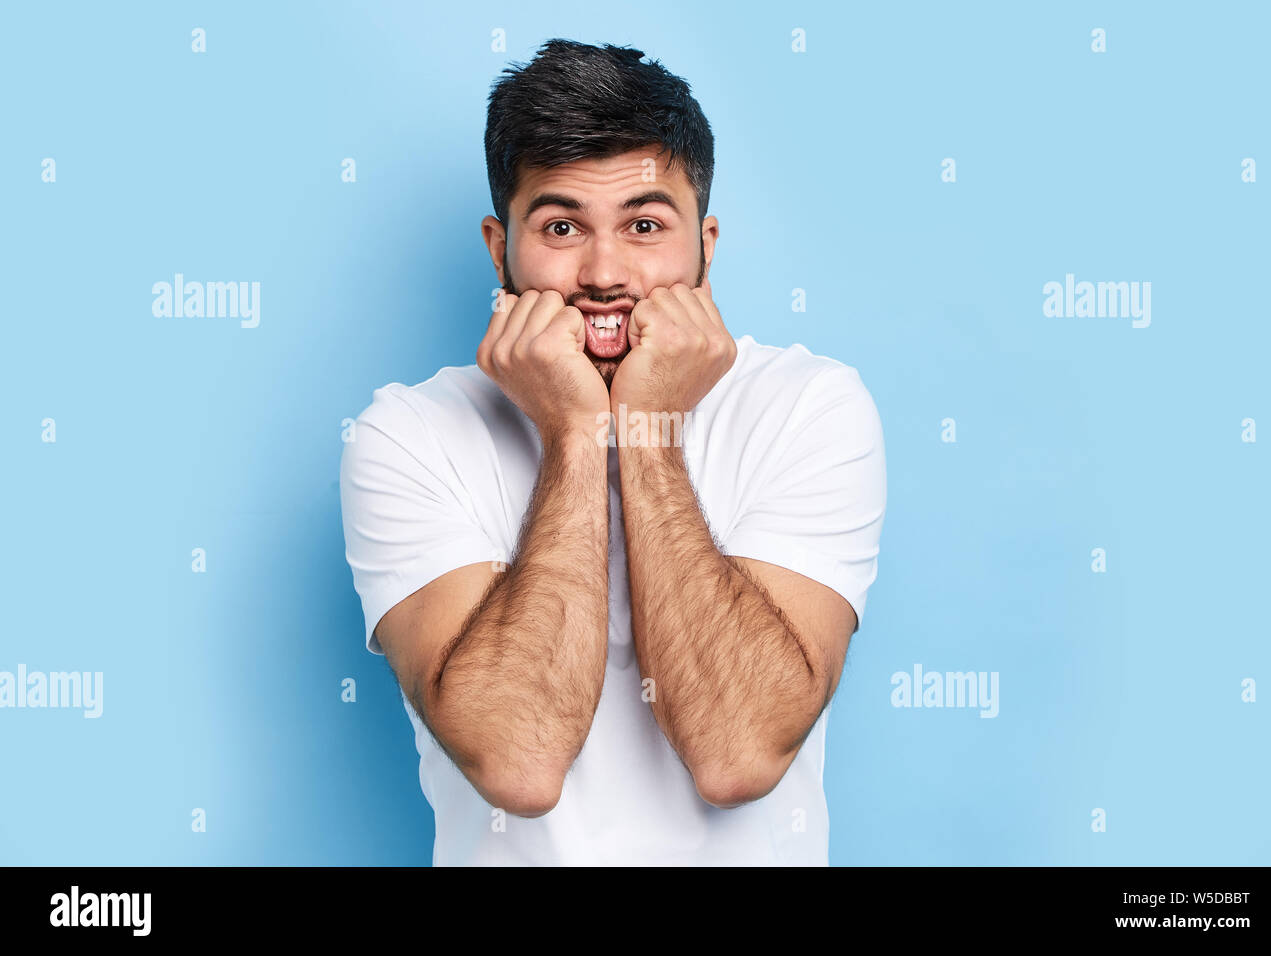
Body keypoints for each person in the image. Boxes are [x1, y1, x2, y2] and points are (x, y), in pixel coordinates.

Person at [339, 38, 886, 865]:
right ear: (500, 248)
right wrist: (575, 432)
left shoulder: (808, 406)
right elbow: (518, 765)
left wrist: (646, 427)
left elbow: (738, 755)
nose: (603, 272)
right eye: (561, 225)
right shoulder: (408, 435)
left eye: (643, 225)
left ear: (706, 242)